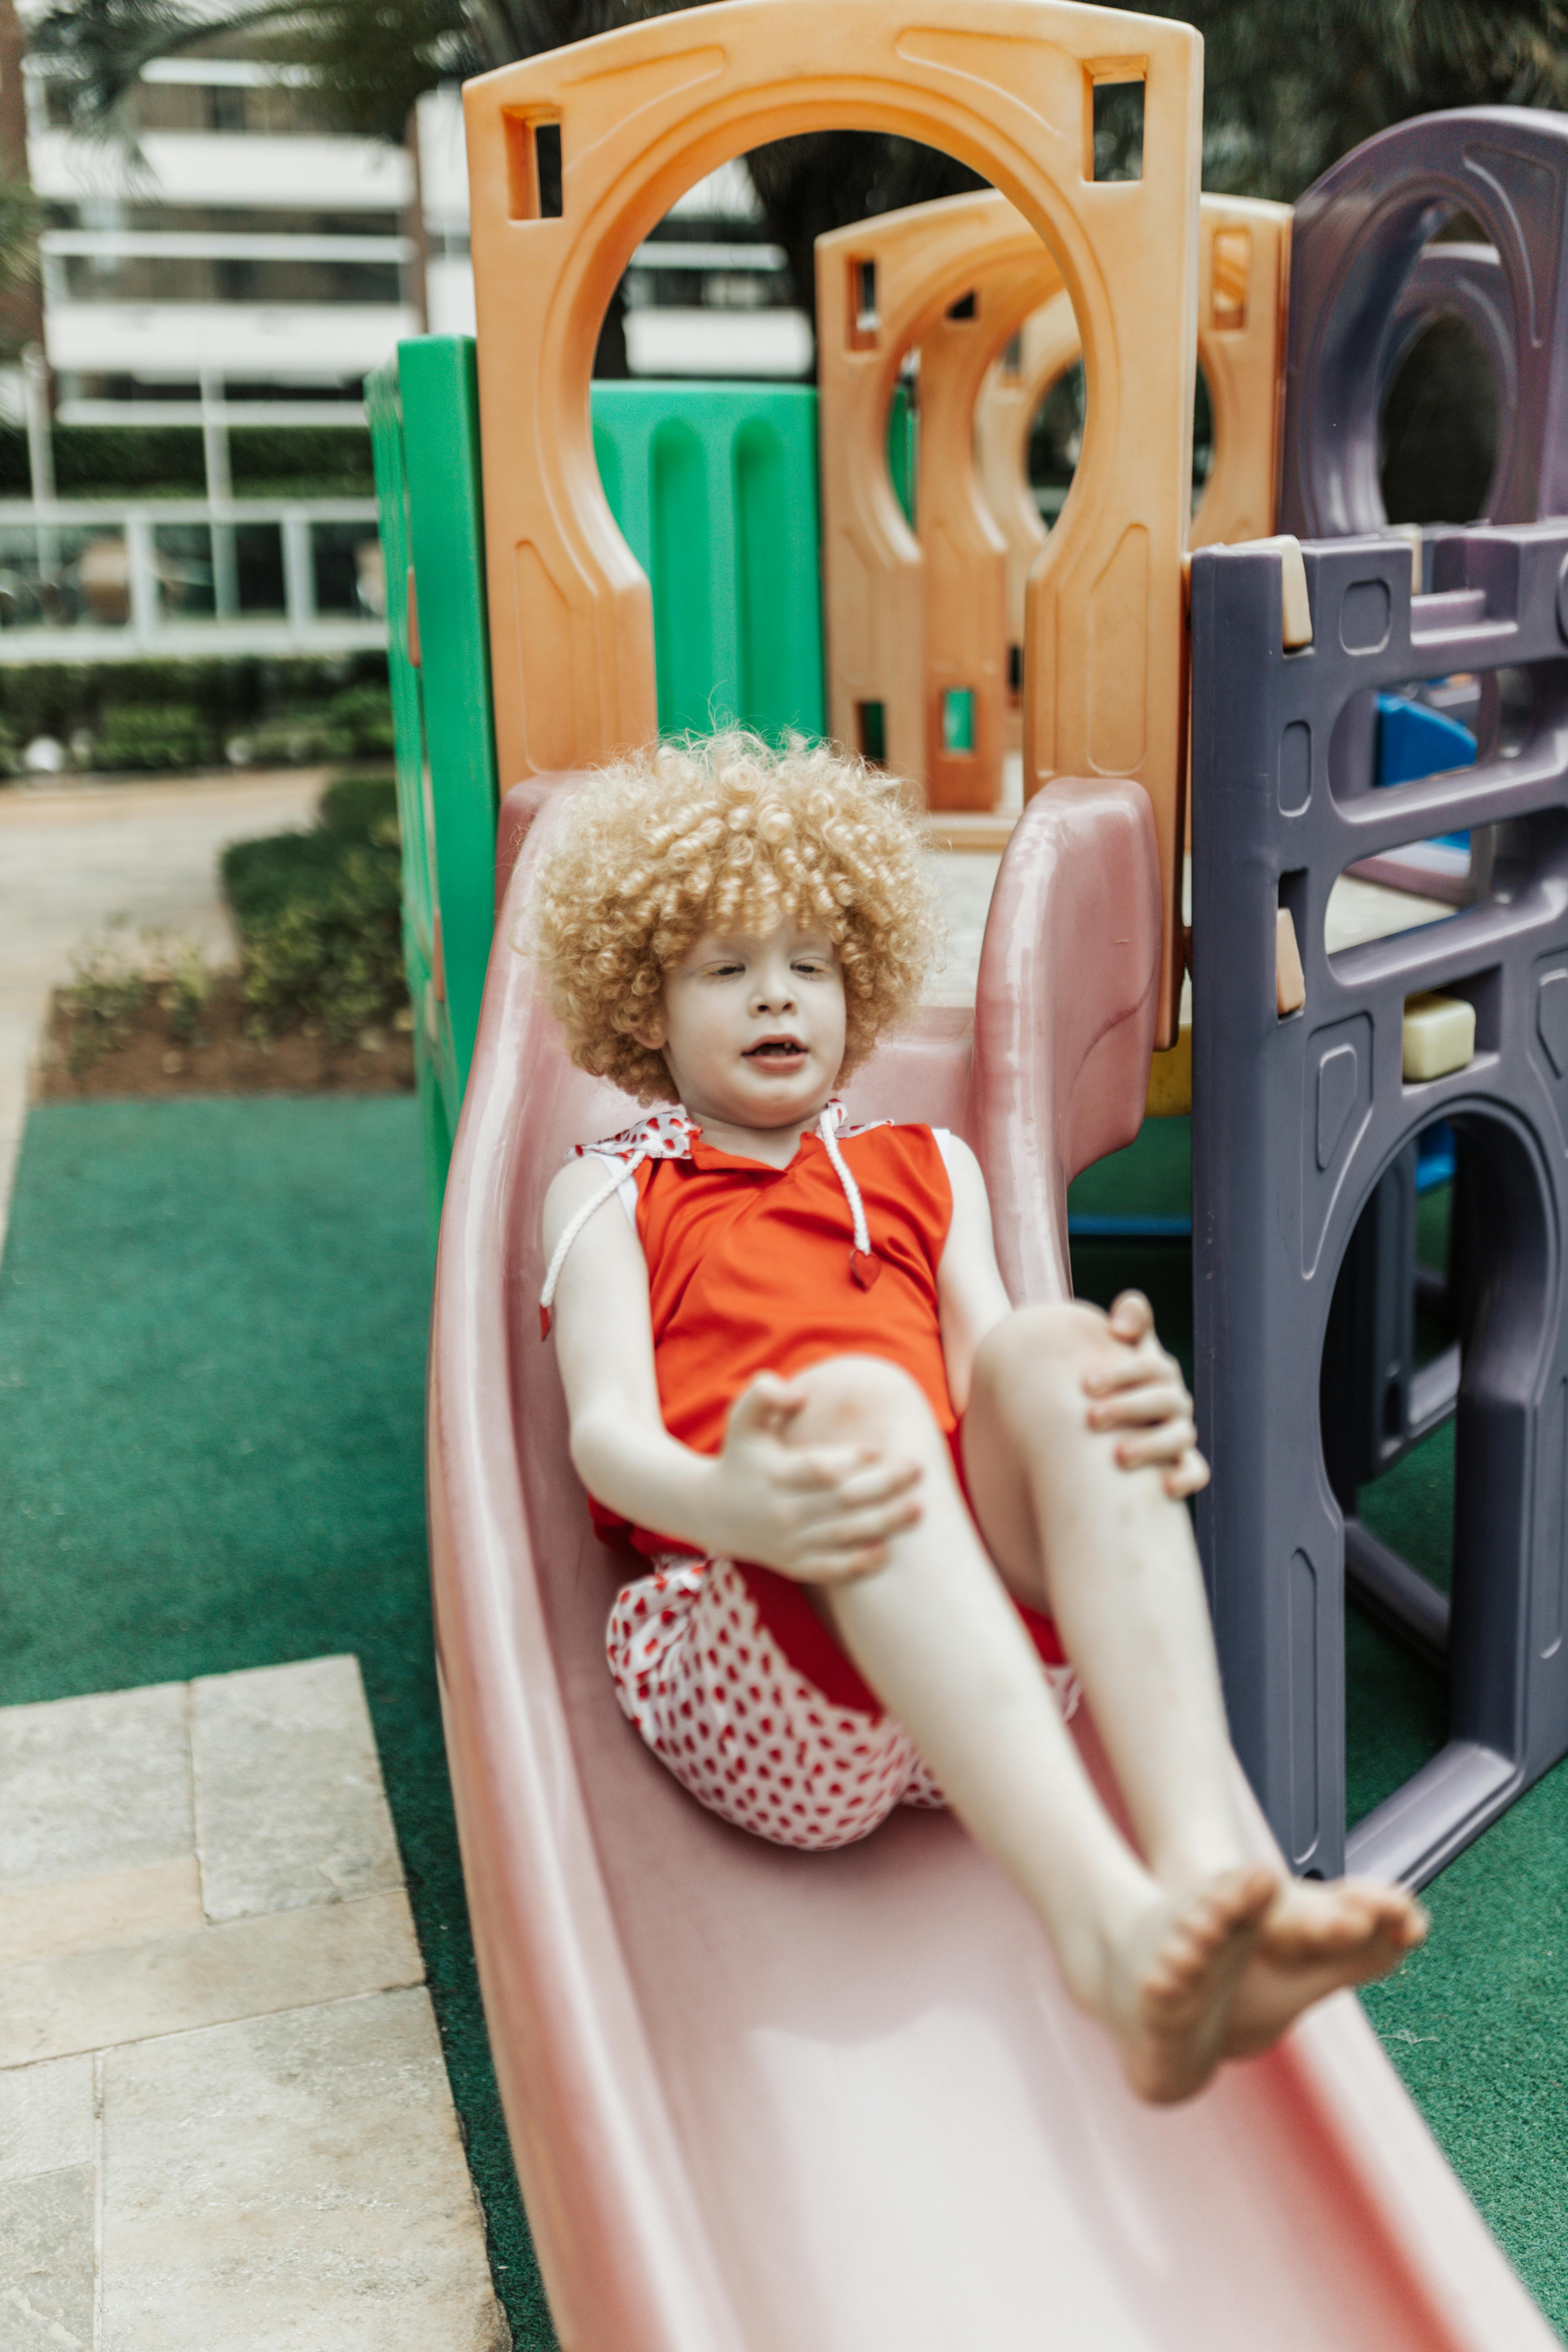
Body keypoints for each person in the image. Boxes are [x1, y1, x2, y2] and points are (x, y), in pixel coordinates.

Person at [531, 733, 1425, 2106]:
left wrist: (1102, 1413)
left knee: (1059, 1346)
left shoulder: (921, 1163)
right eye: (725, 969)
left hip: (979, 1683)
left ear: (860, 983)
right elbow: (607, 1436)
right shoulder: (608, 1188)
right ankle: (1110, 1941)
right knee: (857, 1401)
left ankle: (1205, 1874)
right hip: (764, 1673)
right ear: (645, 1008)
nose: (777, 999)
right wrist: (740, 1504)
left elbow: (991, 1366)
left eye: (809, 967)